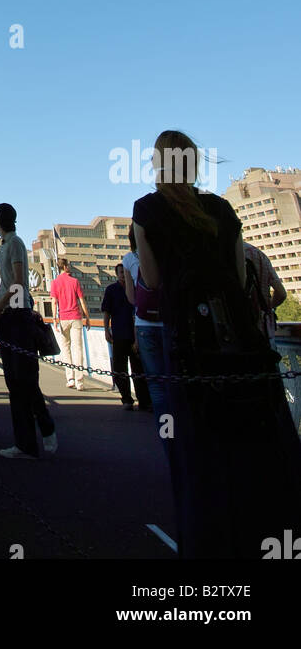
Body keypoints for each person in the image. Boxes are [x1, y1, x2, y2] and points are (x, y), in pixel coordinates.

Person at [133, 129, 301, 559]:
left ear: (157, 164)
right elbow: (242, 279)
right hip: (243, 345)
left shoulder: (147, 210)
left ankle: (206, 543)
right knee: (255, 448)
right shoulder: (223, 210)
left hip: (189, 344)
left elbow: (151, 282)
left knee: (199, 453)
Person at [0, 203, 56, 458]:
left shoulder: (14, 244)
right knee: (17, 382)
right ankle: (31, 439)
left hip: (16, 316)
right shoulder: (5, 245)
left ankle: (38, 435)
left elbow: (17, 282)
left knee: (23, 381)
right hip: (8, 316)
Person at [122, 223, 167, 426]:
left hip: (144, 323)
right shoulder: (165, 253)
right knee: (174, 379)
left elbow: (131, 299)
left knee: (156, 384)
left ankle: (167, 431)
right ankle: (180, 427)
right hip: (169, 321)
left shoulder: (129, 259)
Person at [101, 263, 152, 411]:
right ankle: (126, 399)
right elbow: (106, 311)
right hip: (119, 333)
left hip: (135, 334)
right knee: (120, 368)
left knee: (139, 369)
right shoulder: (112, 290)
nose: (123, 275)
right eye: (121, 272)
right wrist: (106, 330)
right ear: (117, 274)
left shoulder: (135, 288)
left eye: (125, 272)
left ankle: (144, 400)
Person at [49, 257, 89, 389]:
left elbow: (54, 302)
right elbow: (82, 300)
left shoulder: (55, 283)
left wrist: (54, 318)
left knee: (66, 349)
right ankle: (80, 381)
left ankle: (70, 378)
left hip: (63, 318)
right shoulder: (75, 281)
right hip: (76, 317)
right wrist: (87, 317)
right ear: (65, 267)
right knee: (78, 349)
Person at [244, 241, 286, 341]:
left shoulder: (217, 252)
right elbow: (281, 293)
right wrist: (267, 307)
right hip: (263, 330)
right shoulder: (257, 254)